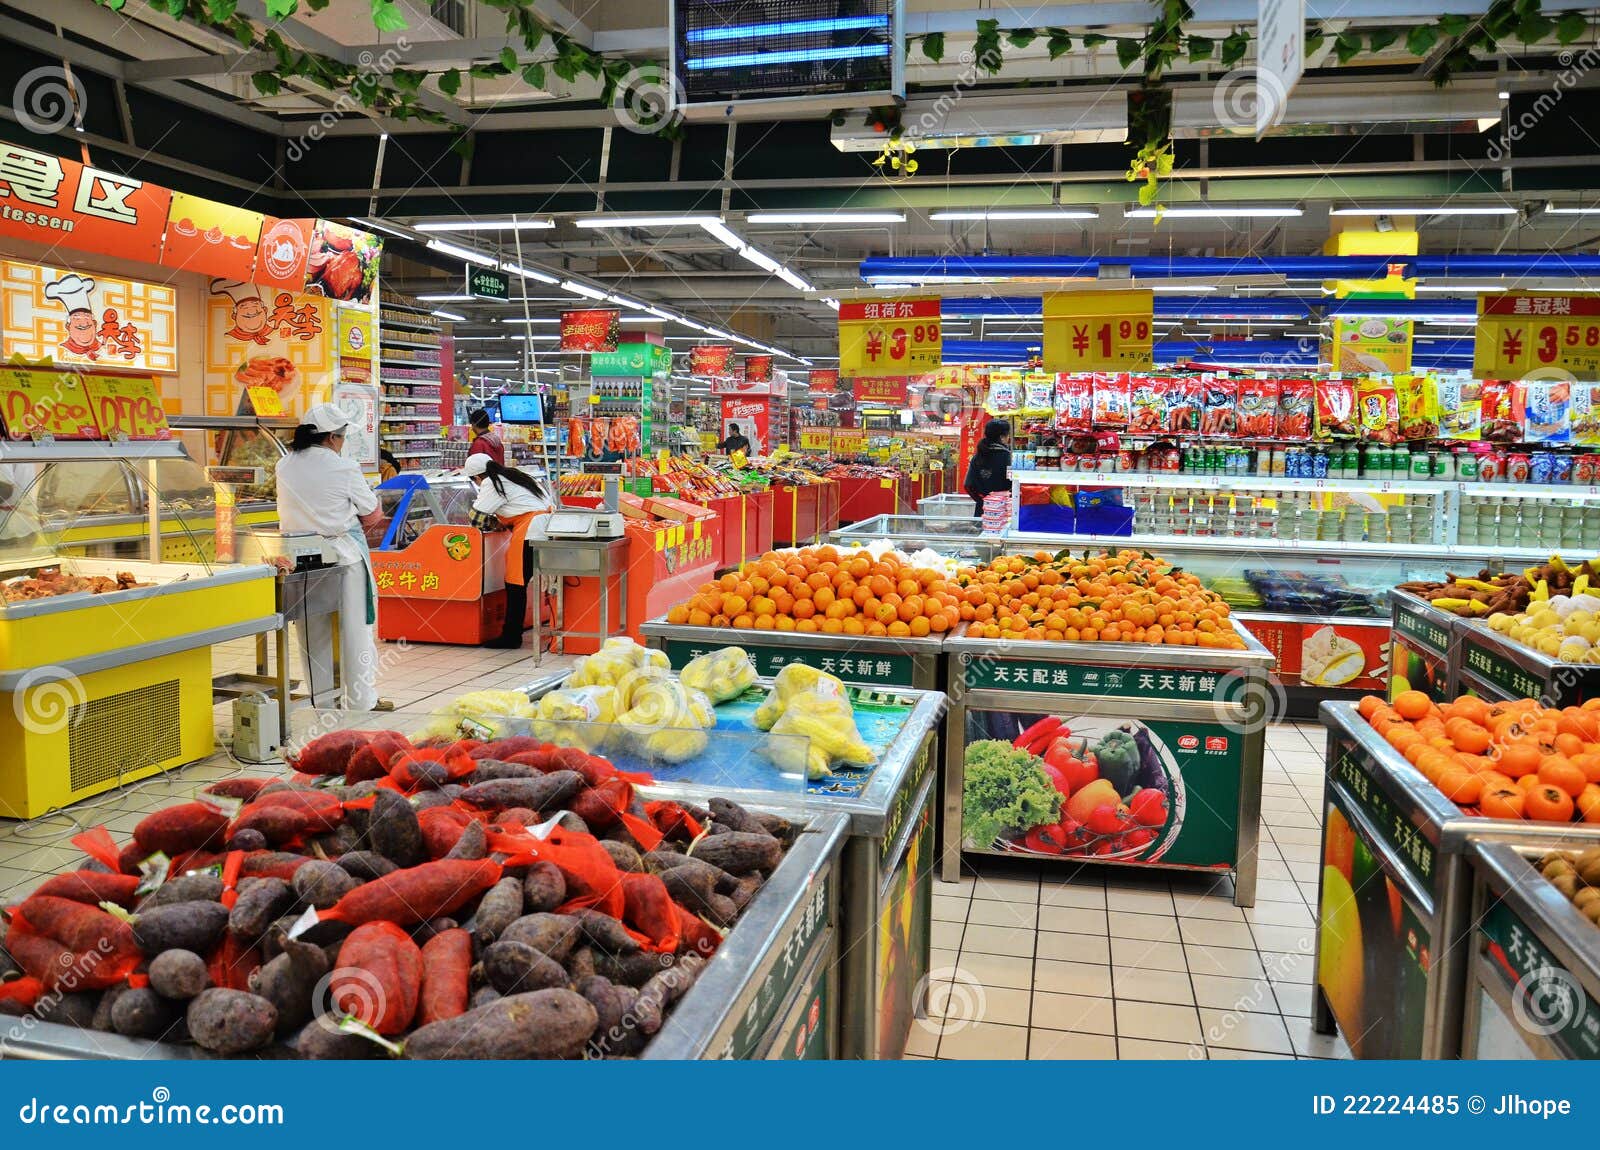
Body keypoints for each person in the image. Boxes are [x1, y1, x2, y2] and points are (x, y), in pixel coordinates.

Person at [275, 403, 388, 709]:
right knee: (355, 630)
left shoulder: (284, 464)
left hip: (299, 558)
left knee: (312, 629)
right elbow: (372, 512)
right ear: (331, 437)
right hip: (343, 557)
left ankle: (322, 699)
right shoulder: (344, 467)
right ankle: (361, 700)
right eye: (342, 437)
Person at [464, 454, 553, 649]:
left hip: (529, 530)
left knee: (515, 584)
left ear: (477, 477)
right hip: (546, 527)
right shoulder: (516, 475)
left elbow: (476, 518)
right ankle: (517, 633)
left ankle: (511, 637)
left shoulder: (491, 482)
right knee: (523, 583)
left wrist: (493, 525)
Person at [964, 418, 1013, 517]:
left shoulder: (978, 456)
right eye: (1008, 435)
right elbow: (1013, 483)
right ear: (1002, 437)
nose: (1008, 438)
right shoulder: (1007, 457)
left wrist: (982, 500)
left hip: (983, 511)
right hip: (1003, 510)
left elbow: (968, 485)